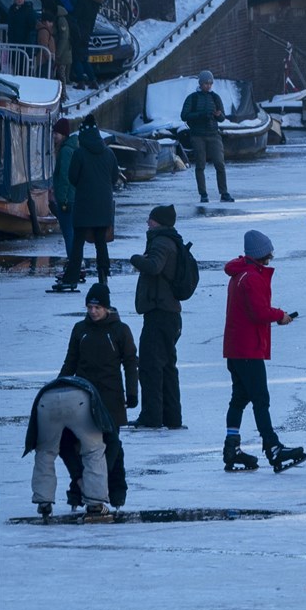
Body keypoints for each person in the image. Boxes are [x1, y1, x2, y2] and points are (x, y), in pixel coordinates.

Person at [222, 229, 305, 472]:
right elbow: (258, 312)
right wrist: (280, 316)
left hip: (235, 348)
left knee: (239, 398)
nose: (271, 256)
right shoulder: (251, 278)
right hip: (249, 349)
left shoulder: (239, 275)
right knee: (260, 399)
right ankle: (272, 448)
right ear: (262, 253)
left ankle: (232, 446)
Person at [57, 282, 137, 508]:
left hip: (110, 397)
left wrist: (132, 393)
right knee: (70, 443)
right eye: (90, 307)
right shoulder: (80, 329)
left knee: (111, 444)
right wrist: (59, 387)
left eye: (97, 307)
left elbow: (131, 363)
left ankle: (115, 492)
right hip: (81, 396)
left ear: (107, 308)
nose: (93, 311)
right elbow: (70, 361)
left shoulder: (120, 330)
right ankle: (79, 489)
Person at [126, 203, 186, 430]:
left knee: (151, 367)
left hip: (160, 314)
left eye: (150, 219)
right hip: (169, 314)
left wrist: (135, 259)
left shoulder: (161, 242)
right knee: (168, 367)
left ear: (158, 222)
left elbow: (153, 266)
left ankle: (151, 418)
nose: (147, 223)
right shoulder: (170, 240)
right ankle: (172, 418)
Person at [25, 373, 114, 518]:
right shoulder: (94, 396)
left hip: (46, 399)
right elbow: (112, 440)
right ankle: (95, 503)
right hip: (80, 399)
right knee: (94, 450)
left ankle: (44, 502)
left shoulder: (77, 382)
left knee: (45, 452)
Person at [61, 115, 119, 290]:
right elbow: (115, 178)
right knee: (100, 241)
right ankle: (103, 276)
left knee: (78, 241)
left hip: (84, 205)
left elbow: (72, 177)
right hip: (104, 205)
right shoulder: (109, 152)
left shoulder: (79, 153)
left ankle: (71, 278)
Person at [180, 71, 233, 203]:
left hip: (214, 135)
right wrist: (201, 114)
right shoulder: (192, 98)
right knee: (200, 165)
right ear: (200, 83)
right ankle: (203, 194)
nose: (208, 86)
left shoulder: (215, 97)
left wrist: (218, 115)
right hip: (197, 136)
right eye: (206, 83)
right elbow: (184, 116)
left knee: (220, 164)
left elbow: (222, 118)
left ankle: (224, 193)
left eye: (210, 83)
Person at [45, 118, 78, 294]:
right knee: (72, 233)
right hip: (73, 197)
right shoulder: (72, 148)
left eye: (56, 133)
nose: (54, 136)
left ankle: (73, 268)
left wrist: (62, 199)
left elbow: (65, 177)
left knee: (69, 234)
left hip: (68, 199)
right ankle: (76, 266)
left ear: (63, 134)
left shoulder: (65, 151)